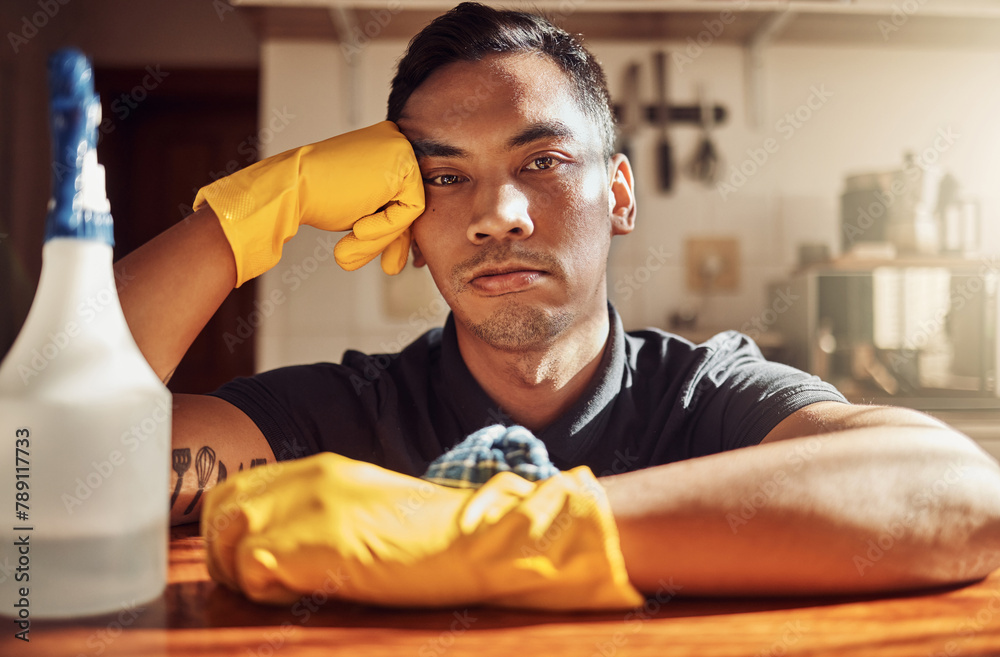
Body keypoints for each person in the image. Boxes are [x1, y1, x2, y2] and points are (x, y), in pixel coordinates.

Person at [116, 2, 1000, 597]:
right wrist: (250, 209)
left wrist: (485, 536)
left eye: (541, 162)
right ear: (407, 225)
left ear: (618, 195)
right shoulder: (339, 413)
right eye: (444, 177)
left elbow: (959, 493)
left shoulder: (705, 396)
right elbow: (38, 461)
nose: (497, 215)